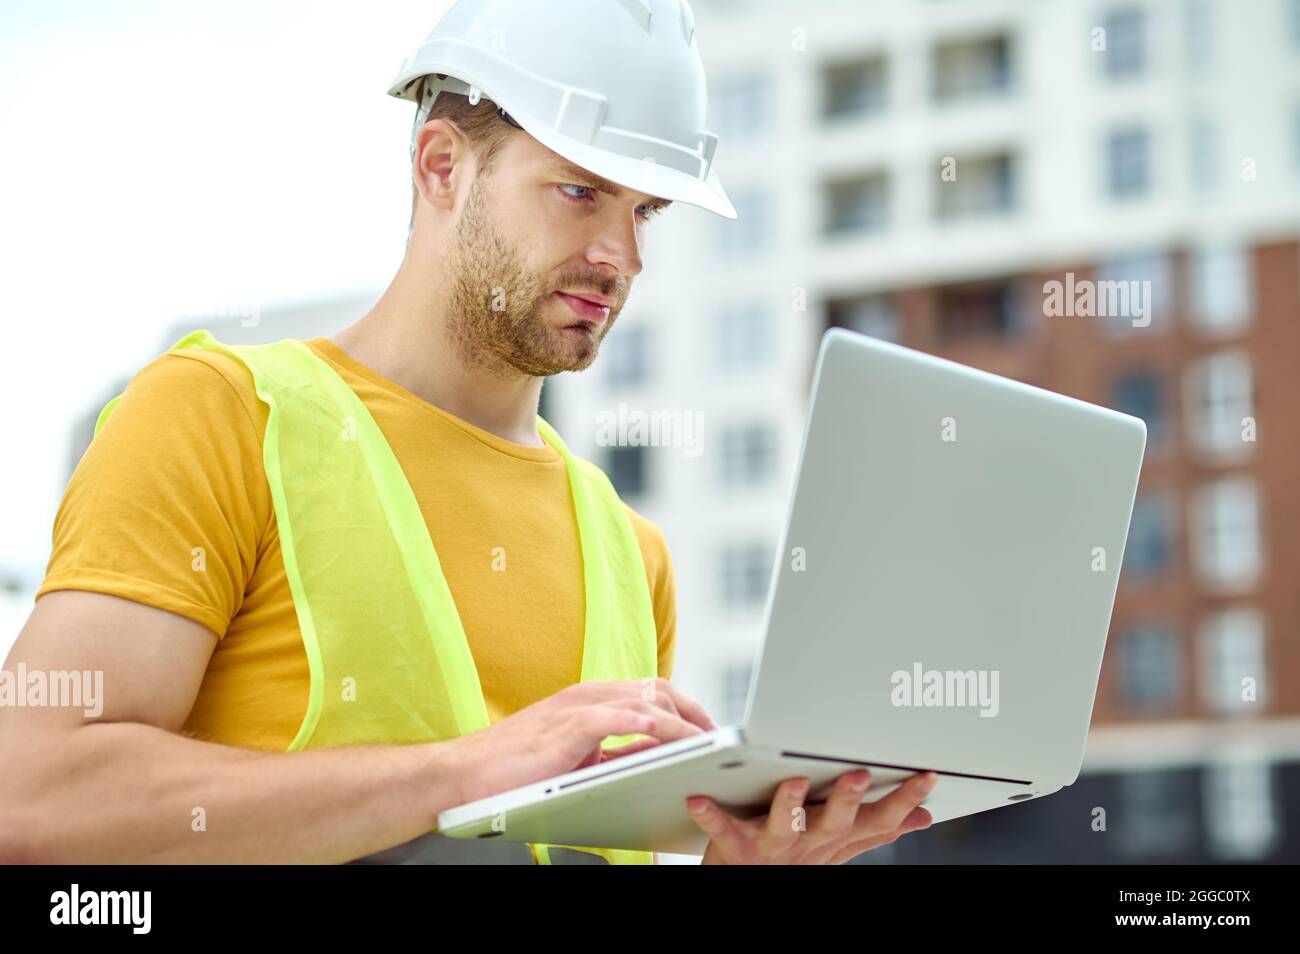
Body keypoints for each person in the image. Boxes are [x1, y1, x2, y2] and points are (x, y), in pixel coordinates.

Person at [0, 0, 933, 865]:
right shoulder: (221, 416)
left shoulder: (630, 554)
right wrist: (461, 773)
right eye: (579, 191)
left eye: (645, 209)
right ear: (442, 164)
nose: (623, 256)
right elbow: (32, 799)